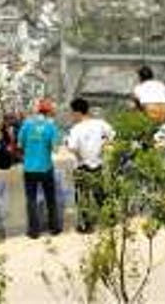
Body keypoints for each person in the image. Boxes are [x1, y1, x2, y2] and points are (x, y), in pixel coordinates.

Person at [65, 96, 115, 233]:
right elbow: (112, 135)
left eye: (72, 112)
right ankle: (110, 219)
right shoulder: (100, 123)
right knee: (101, 194)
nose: (71, 115)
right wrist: (103, 144)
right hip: (98, 164)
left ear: (77, 113)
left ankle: (86, 226)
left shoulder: (76, 129)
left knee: (83, 197)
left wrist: (67, 143)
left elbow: (72, 147)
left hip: (82, 166)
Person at [17, 97, 62, 238]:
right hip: (45, 168)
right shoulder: (51, 127)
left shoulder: (27, 124)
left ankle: (34, 232)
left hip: (29, 168)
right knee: (50, 198)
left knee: (31, 199)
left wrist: (31, 149)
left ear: (38, 110)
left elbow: (19, 145)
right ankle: (54, 228)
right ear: (49, 112)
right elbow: (55, 149)